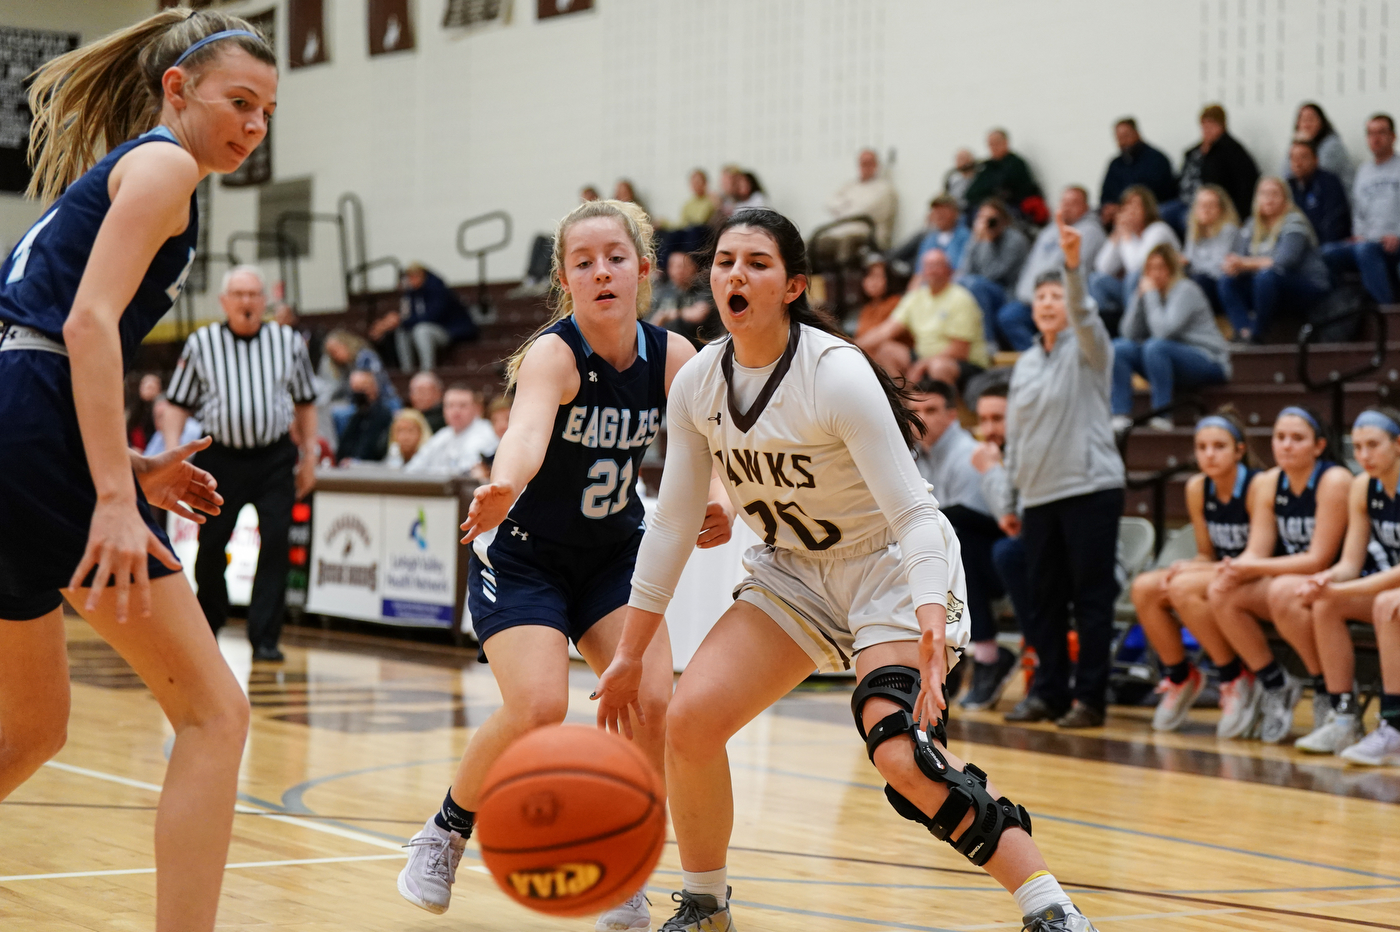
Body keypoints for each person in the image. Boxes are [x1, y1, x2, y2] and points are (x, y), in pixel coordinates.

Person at [594, 207, 1103, 932]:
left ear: (793, 285)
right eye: (725, 261)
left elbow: (916, 513)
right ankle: (706, 904)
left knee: (899, 753)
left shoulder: (835, 375)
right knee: (691, 721)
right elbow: (672, 523)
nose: (736, 274)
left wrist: (930, 613)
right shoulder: (699, 383)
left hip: (887, 571)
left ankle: (1047, 903)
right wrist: (632, 651)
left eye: (758, 263)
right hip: (792, 573)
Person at [0, 12, 273, 931]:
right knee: (216, 716)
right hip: (31, 416)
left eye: (268, 113)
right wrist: (112, 498)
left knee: (30, 732)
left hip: (20, 417)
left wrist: (126, 467)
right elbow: (82, 326)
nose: (253, 126)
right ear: (176, 88)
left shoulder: (130, 171)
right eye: (240, 101)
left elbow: (47, 334)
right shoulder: (163, 167)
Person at [395, 200, 732, 932]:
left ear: (643, 269)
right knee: (540, 706)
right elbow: (526, 436)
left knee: (654, 703)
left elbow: (713, 447)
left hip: (614, 558)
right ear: (565, 280)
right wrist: (504, 486)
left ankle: (629, 875)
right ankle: (446, 831)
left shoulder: (674, 358)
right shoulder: (554, 355)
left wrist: (717, 496)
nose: (601, 271)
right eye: (583, 262)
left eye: (615, 257)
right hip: (528, 561)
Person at [998, 218, 1126, 729]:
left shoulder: (1091, 350)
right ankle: (1047, 692)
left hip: (1090, 489)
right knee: (1043, 601)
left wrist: (1073, 268)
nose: (1049, 303)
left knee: (1091, 601)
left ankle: (1090, 699)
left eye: (1055, 296)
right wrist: (1010, 498)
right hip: (1038, 497)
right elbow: (1016, 436)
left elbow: (1084, 311)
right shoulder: (1026, 363)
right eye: (1041, 297)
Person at [165, 264, 318, 662]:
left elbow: (305, 401)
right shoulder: (202, 343)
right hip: (221, 460)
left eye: (253, 294)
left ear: (264, 301)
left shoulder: (288, 341)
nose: (247, 302)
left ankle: (265, 637)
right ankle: (209, 628)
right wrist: (170, 453)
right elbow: (176, 404)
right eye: (239, 295)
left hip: (274, 458)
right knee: (211, 545)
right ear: (224, 302)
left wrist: (311, 457)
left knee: (276, 545)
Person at [1207, 407, 1351, 743]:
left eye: (1297, 439)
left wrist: (1250, 567)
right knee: (1221, 591)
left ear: (1318, 446)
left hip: (1336, 579)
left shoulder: (1334, 480)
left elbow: (1319, 559)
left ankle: (1325, 687)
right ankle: (1275, 682)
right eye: (1280, 438)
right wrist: (1235, 569)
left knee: (1282, 591)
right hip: (1293, 578)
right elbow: (1256, 550)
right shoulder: (1270, 481)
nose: (1286, 445)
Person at [1129, 412, 1262, 732]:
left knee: (1182, 588)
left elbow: (1260, 554)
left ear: (1239, 451)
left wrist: (1198, 571)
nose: (1209, 454)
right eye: (1202, 447)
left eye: (1219, 446)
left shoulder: (1258, 486)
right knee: (1145, 587)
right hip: (1222, 571)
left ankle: (1233, 676)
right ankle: (1180, 675)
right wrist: (1192, 564)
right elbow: (1206, 551)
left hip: (1258, 572)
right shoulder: (1197, 488)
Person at [1283, 409, 1400, 755]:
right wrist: (1326, 579)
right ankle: (1344, 717)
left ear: (1398, 445)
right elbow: (1350, 562)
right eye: (1358, 447)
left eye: (1373, 445)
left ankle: (1393, 724)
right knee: (1326, 602)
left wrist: (1343, 587)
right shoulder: (1363, 486)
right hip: (1390, 590)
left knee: (1384, 604)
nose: (1364, 455)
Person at [908, 379, 1019, 712]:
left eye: (931, 410)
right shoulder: (914, 454)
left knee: (957, 540)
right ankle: (937, 661)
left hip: (997, 558)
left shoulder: (968, 454)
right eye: (914, 411)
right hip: (964, 553)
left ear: (952, 415)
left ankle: (986, 656)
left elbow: (983, 521)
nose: (921, 418)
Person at [1110, 244, 1231, 430]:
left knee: (1155, 347)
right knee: (1119, 348)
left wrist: (1150, 295)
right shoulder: (1152, 293)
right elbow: (1127, 333)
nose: (1155, 273)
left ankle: (1162, 415)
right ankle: (1120, 414)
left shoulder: (1186, 290)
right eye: (1150, 268)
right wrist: (1138, 298)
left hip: (1207, 359)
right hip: (1166, 358)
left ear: (1172, 270)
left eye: (1160, 268)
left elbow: (1163, 331)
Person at [1217, 176, 1331, 343]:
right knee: (1227, 280)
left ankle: (1258, 333)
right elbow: (1240, 258)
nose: (1268, 199)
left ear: (1285, 199)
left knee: (1266, 276)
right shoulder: (1251, 225)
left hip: (1307, 285)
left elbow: (1285, 260)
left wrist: (1244, 264)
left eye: (1274, 194)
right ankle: (1243, 332)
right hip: (1269, 286)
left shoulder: (1294, 221)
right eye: (1263, 194)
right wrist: (1233, 265)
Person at [856, 248, 989, 389]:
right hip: (923, 356)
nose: (932, 270)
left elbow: (959, 350)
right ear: (922, 271)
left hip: (963, 362)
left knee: (938, 366)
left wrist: (922, 364)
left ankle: (944, 408)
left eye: (937, 265)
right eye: (928, 266)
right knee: (885, 350)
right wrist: (852, 346)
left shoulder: (961, 298)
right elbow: (885, 331)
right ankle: (904, 405)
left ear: (948, 270)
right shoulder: (915, 297)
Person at [997, 186, 1106, 351]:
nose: (1067, 207)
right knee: (1008, 316)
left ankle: (1051, 360)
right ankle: (1038, 358)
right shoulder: (1048, 231)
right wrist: (1027, 296)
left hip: (1065, 300)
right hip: (1032, 299)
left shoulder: (1091, 232)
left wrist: (1047, 297)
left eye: (1073, 203)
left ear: (1085, 207)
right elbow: (1030, 266)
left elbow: (1074, 270)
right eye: (1064, 202)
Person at [1323, 114, 1400, 305]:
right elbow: (1358, 211)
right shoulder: (1363, 172)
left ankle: (1387, 312)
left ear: (1393, 136)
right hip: (1368, 241)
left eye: (1381, 132)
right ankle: (1342, 311)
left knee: (1365, 251)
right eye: (1370, 133)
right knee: (1326, 253)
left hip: (1394, 242)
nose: (1375, 138)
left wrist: (1397, 234)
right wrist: (1358, 234)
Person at [1089, 185, 1180, 332]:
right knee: (1097, 280)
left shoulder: (1158, 229)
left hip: (1162, 289)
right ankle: (1106, 329)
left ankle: (1133, 328)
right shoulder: (1128, 235)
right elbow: (1102, 267)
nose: (1130, 211)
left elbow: (1139, 267)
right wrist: (1116, 235)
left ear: (1148, 209)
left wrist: (1124, 235)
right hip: (1133, 291)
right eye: (1126, 206)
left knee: (1134, 277)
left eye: (1136, 205)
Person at [1166, 104, 1260, 238]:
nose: (1207, 130)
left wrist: (1240, 215)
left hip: (1209, 205)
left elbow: (1245, 185)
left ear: (1222, 126)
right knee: (1161, 214)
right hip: (1183, 200)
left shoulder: (1232, 151)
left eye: (1211, 125)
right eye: (1204, 125)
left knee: (1186, 220)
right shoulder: (1194, 151)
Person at [369, 263, 477, 372]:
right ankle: (407, 371)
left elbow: (433, 316)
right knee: (402, 331)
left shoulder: (438, 290)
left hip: (447, 330)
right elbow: (407, 315)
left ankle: (427, 370)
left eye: (414, 277)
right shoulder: (410, 294)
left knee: (421, 330)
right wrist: (393, 322)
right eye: (409, 277)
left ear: (422, 276)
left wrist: (400, 320)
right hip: (422, 327)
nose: (411, 280)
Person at [957, 198, 1031, 333]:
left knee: (976, 284)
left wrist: (987, 240)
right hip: (984, 290)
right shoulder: (978, 239)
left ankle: (988, 340)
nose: (987, 223)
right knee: (961, 282)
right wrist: (974, 240)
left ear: (1003, 220)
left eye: (991, 218)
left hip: (1009, 293)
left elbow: (993, 274)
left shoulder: (1014, 239)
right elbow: (966, 271)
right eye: (982, 217)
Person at [817, 148, 899, 260]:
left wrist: (845, 206)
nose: (865, 167)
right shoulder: (851, 185)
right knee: (814, 242)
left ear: (876, 165)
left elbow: (863, 211)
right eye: (862, 163)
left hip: (868, 235)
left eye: (869, 163)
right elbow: (830, 202)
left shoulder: (884, 189)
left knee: (847, 243)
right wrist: (847, 207)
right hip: (842, 231)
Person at [1099, 118, 1177, 227]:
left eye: (1126, 136)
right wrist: (1108, 208)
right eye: (1119, 138)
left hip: (1150, 210)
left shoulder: (1156, 159)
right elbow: (1105, 193)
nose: (1123, 141)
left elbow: (1156, 193)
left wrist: (1122, 208)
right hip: (1119, 214)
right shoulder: (1115, 164)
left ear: (1137, 134)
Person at [405, 385, 498, 475]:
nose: (456, 411)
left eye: (462, 405)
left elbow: (465, 474)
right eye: (450, 405)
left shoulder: (485, 433)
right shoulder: (443, 435)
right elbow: (412, 468)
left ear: (476, 408)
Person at [1181, 184, 1241, 316]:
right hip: (1197, 285)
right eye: (1201, 205)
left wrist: (1190, 265)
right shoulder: (1194, 231)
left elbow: (1219, 269)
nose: (1205, 210)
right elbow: (1188, 262)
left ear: (1221, 209)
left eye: (1210, 205)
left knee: (1197, 280)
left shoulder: (1228, 230)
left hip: (1220, 289)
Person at [963, 128, 1042, 217]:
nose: (994, 147)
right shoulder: (988, 166)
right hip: (988, 206)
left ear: (1006, 142)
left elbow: (1003, 188)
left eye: (997, 143)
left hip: (1012, 208)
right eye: (991, 144)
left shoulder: (1015, 164)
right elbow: (971, 193)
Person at [648, 251, 719, 347]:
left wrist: (670, 314)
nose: (679, 271)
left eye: (683, 266)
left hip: (698, 345)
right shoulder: (664, 291)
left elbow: (699, 313)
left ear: (694, 268)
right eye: (675, 266)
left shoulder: (703, 289)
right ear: (669, 269)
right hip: (668, 346)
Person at [1278, 102, 1354, 191]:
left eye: (1310, 120)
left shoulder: (1332, 145)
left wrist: (1305, 143)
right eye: (1303, 120)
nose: (1306, 125)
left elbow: (1313, 174)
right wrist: (1297, 144)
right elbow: (1284, 176)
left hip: (1333, 195)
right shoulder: (1296, 145)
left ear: (1321, 123)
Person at [1287, 140, 1351, 245]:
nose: (1298, 163)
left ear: (1316, 159)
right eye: (1293, 158)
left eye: (1303, 157)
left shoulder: (1329, 182)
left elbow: (1335, 222)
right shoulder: (1288, 187)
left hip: (1329, 245)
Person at [334, 368, 392, 464]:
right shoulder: (356, 416)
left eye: (362, 389)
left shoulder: (382, 414)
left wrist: (354, 461)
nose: (358, 394)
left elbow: (371, 448)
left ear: (374, 388)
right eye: (355, 389)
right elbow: (343, 447)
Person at [852, 254, 911, 343]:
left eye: (878, 276)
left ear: (888, 279)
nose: (872, 282)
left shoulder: (895, 302)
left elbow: (881, 337)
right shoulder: (866, 308)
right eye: (868, 277)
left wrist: (856, 345)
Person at [126, 371, 161, 449]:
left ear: (158, 390)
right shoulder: (134, 410)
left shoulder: (161, 410)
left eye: (151, 387)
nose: (148, 389)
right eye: (145, 386)